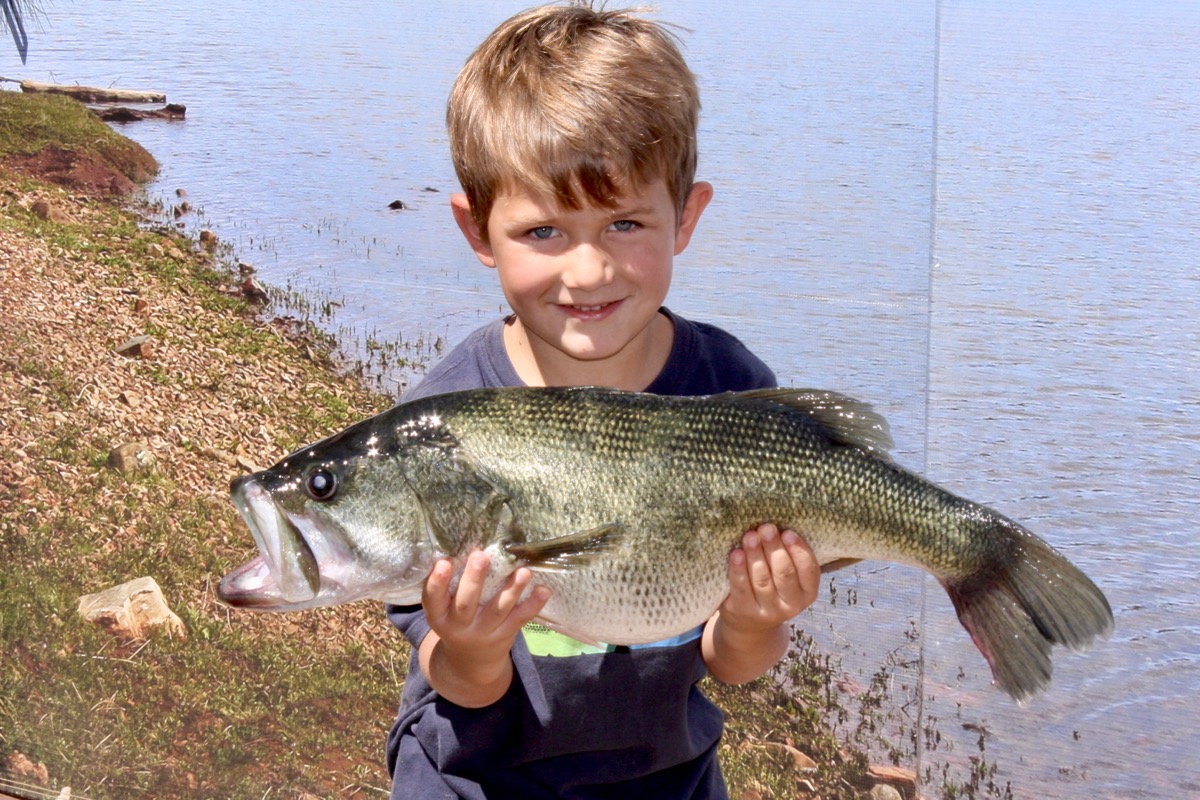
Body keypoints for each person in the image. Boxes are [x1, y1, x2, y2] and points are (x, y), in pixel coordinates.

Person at [385, 4, 822, 798]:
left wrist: (759, 616)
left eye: (624, 222)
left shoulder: (731, 393)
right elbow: (458, 683)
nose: (587, 273)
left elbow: (732, 663)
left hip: (670, 778)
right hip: (474, 780)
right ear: (477, 230)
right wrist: (474, 643)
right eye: (544, 233)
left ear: (686, 216)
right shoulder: (442, 428)